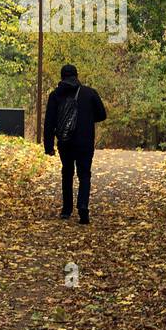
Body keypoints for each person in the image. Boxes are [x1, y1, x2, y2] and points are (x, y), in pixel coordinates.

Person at [43, 63, 107, 223]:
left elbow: (49, 123)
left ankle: (66, 209)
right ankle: (83, 205)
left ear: (62, 77)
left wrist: (48, 146)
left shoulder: (55, 95)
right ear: (77, 76)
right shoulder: (89, 93)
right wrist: (87, 118)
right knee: (84, 174)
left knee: (67, 172)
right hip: (85, 141)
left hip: (65, 141)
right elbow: (102, 115)